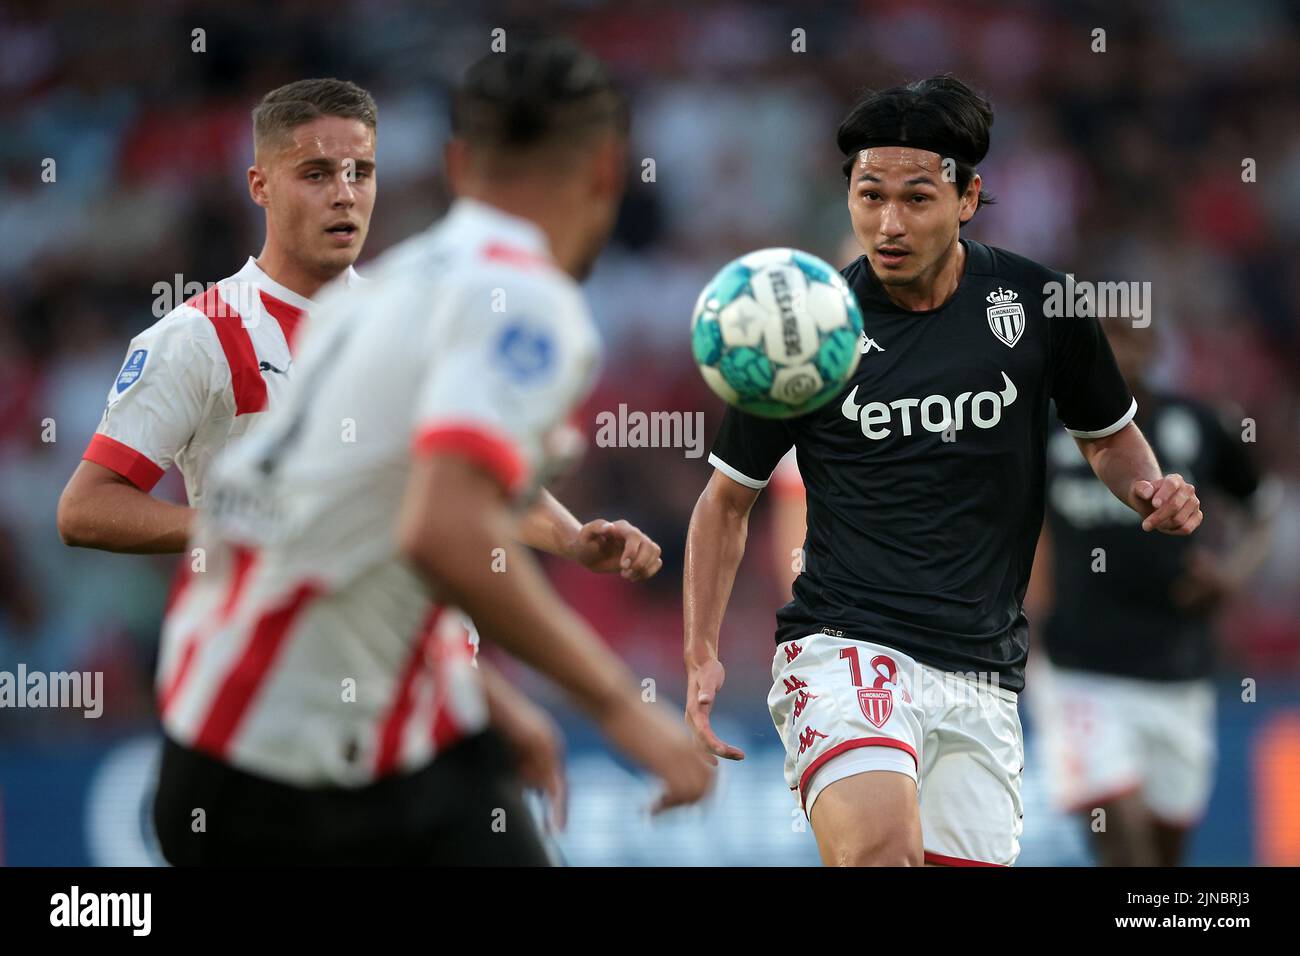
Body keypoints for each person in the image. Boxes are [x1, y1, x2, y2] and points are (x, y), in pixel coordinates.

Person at [150, 39, 711, 865]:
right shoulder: (527, 302)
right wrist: (626, 710)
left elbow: (348, 526)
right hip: (290, 762)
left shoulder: (395, 287)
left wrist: (476, 697)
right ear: (605, 170)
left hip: (245, 722)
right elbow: (443, 532)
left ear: (457, 163)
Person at [683, 75, 1201, 867]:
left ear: (968, 197)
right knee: (883, 853)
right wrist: (701, 651)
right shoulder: (807, 331)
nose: (887, 224)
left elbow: (1107, 436)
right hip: (846, 643)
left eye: (916, 198)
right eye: (869, 196)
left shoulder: (1039, 304)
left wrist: (1147, 486)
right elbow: (726, 501)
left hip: (982, 668)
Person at [1026, 321, 1274, 865]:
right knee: (1122, 842)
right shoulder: (1045, 426)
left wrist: (1231, 573)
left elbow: (1261, 512)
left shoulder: (1199, 423)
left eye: (1127, 337)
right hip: (1076, 669)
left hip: (1177, 671)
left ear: (1154, 347)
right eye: (1101, 338)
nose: (1114, 352)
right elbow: (1016, 525)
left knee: (1164, 857)